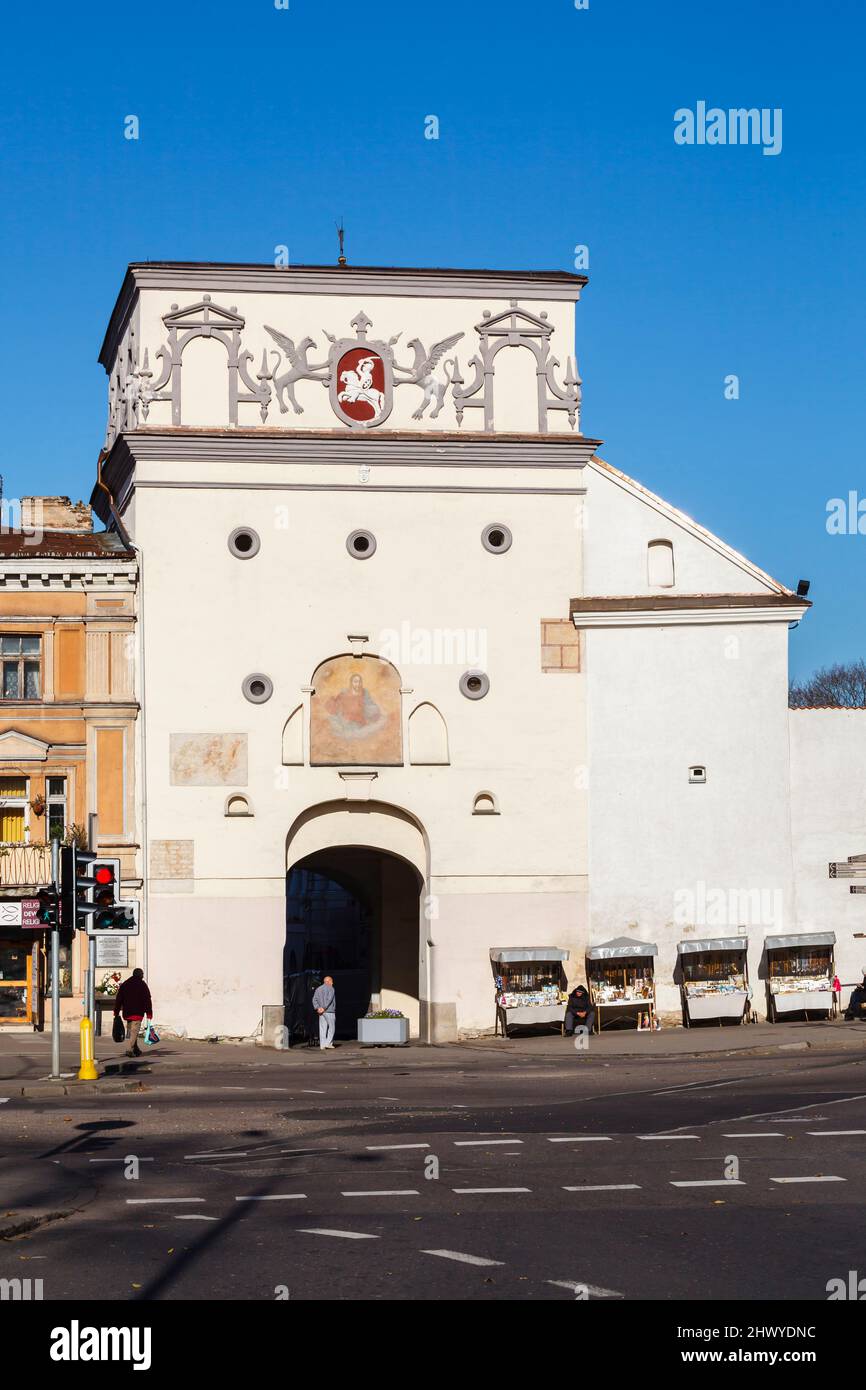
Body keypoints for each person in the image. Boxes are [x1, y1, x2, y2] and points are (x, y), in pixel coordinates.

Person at [113, 968, 153, 1058]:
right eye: (142, 974)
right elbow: (147, 1000)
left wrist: (116, 1011)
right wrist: (149, 1013)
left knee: (132, 1032)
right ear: (139, 974)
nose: (143, 975)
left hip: (127, 1013)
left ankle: (136, 1049)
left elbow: (119, 999)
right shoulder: (142, 985)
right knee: (134, 1032)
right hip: (137, 1012)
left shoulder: (125, 984)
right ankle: (129, 1050)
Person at [312, 974, 337, 1050]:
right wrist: (324, 1008)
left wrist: (318, 1008)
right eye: (332, 982)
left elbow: (314, 1000)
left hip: (321, 1012)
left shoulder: (318, 989)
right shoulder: (331, 988)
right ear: (329, 981)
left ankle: (322, 1045)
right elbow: (329, 999)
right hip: (329, 1011)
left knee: (322, 1028)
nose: (332, 983)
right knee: (331, 1028)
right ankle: (328, 1043)